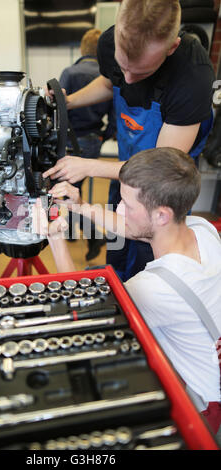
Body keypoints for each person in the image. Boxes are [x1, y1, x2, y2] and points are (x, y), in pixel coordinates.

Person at [33, 147, 221, 437]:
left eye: (127, 204)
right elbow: (138, 230)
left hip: (203, 406)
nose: (119, 209)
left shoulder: (154, 288)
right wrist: (81, 207)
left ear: (161, 215)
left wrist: (56, 239)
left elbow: (80, 311)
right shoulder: (201, 228)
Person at [43, 0, 215, 282]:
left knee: (145, 268)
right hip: (122, 177)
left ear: (171, 48)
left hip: (161, 190)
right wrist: (68, 102)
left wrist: (90, 167)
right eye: (123, 67)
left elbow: (161, 169)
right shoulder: (111, 43)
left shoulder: (191, 77)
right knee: (118, 250)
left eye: (142, 72)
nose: (129, 80)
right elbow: (109, 82)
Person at [59, 28, 116, 261]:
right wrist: (105, 134)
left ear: (83, 49)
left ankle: (94, 236)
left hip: (71, 141)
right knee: (74, 190)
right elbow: (114, 114)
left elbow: (59, 110)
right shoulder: (110, 76)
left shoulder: (70, 72)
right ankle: (73, 232)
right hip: (94, 140)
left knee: (66, 193)